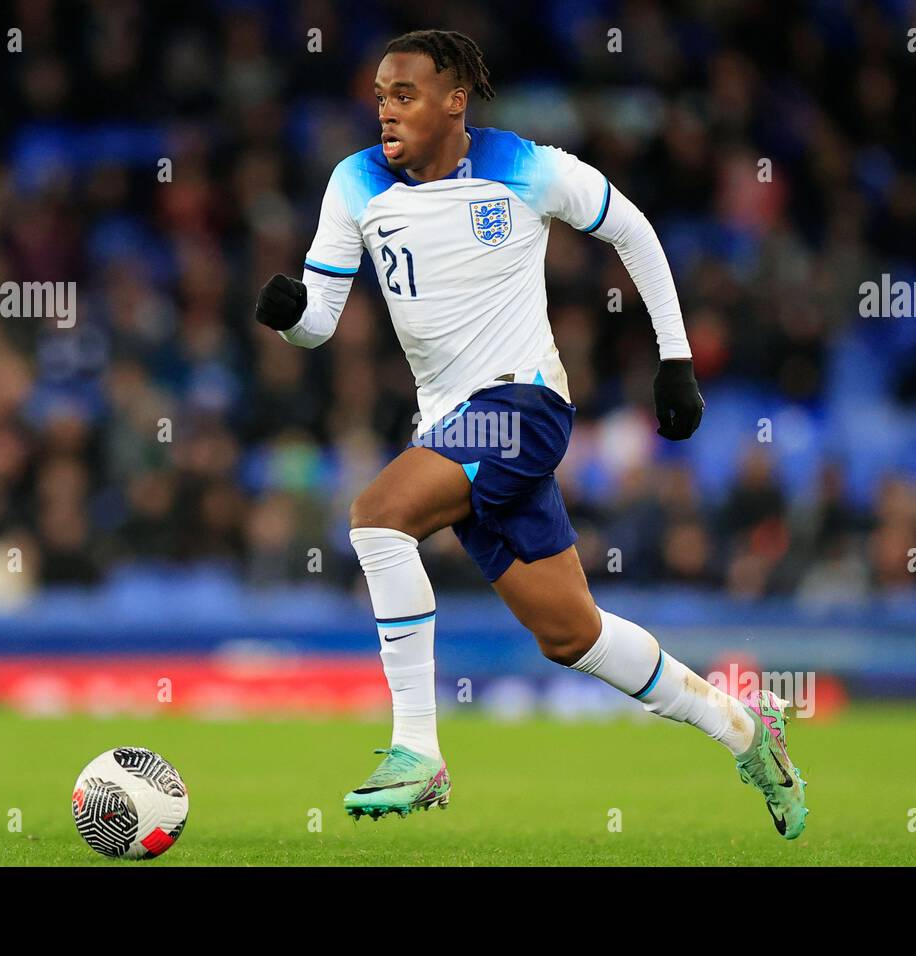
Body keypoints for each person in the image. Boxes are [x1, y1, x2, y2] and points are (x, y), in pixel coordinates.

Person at [254, 30, 807, 839]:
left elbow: (635, 231)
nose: (385, 111)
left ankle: (417, 750)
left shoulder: (527, 167)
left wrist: (676, 359)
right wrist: (289, 316)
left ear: (454, 101)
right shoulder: (353, 183)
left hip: (524, 405)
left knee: (377, 516)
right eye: (379, 96)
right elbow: (320, 321)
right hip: (450, 425)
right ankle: (747, 732)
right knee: (570, 634)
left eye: (403, 95)